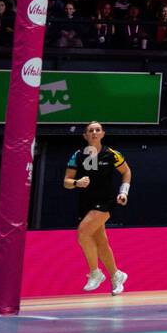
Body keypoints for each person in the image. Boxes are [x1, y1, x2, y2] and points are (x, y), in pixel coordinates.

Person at [64, 122, 131, 295]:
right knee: (101, 243)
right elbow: (67, 181)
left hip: (106, 202)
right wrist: (77, 183)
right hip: (85, 204)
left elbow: (126, 172)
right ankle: (116, 275)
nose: (94, 132)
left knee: (83, 234)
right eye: (90, 131)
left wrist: (123, 192)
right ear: (85, 136)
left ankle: (95, 273)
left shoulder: (111, 154)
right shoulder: (78, 155)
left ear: (102, 134)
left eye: (97, 130)